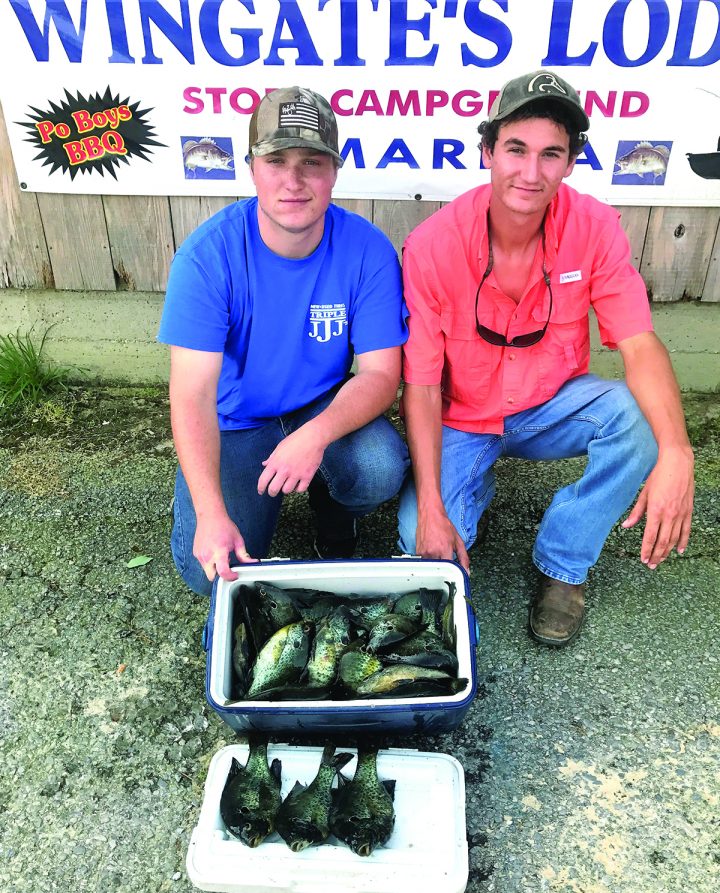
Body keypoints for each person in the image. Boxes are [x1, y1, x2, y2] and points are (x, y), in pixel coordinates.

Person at [398, 69, 694, 646]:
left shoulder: (595, 226)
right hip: (462, 418)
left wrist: (678, 452)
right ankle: (463, 497)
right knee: (419, 543)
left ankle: (564, 563)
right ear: (487, 151)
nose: (531, 173)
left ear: (571, 161)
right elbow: (423, 385)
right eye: (515, 149)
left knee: (641, 417)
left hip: (548, 405)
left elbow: (639, 342)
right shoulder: (434, 244)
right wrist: (434, 506)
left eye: (551, 154)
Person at [158, 86, 409, 596]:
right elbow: (192, 395)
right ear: (252, 166)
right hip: (234, 421)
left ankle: (333, 515)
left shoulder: (368, 250)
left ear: (334, 171)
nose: (293, 181)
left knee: (379, 467)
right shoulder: (207, 257)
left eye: (312, 162)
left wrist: (314, 436)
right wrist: (210, 512)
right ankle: (206, 493)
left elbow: (382, 375)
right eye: (276, 160)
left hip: (318, 406)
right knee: (209, 573)